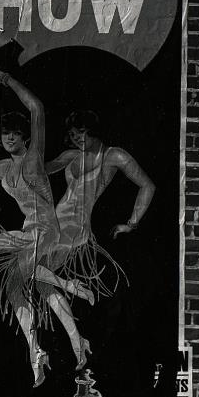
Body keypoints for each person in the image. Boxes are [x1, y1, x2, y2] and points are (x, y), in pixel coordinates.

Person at [0, 71, 93, 383]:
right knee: (19, 287)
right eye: (5, 133)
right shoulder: (3, 167)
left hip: (45, 230)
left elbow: (37, 110)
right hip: (30, 231)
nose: (10, 137)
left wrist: (7, 79)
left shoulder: (33, 159)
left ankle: (68, 286)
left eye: (15, 133)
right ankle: (59, 345)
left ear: (24, 137)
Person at [46, 110, 155, 302]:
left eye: (81, 131)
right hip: (53, 222)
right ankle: (72, 300)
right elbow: (39, 172)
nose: (77, 137)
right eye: (72, 134)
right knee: (36, 278)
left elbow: (148, 186)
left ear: (92, 130)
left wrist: (131, 224)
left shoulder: (114, 155)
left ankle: (73, 288)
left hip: (74, 228)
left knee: (34, 272)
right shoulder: (70, 156)